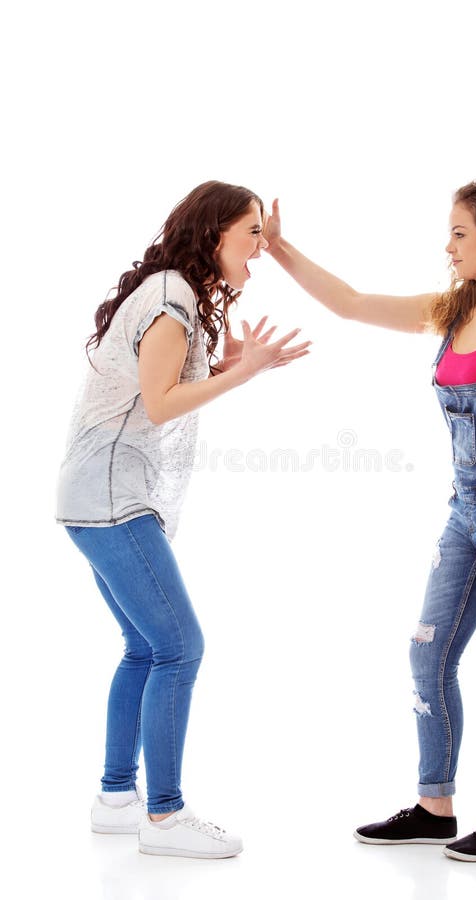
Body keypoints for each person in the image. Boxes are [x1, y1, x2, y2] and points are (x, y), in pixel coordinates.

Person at [263, 181, 476, 862]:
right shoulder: (453, 311)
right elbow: (350, 303)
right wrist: (281, 249)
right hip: (465, 513)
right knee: (427, 653)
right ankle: (436, 807)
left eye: (461, 232)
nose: (449, 245)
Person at [56, 180, 310, 859]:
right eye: (253, 232)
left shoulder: (174, 296)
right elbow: (163, 403)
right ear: (216, 233)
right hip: (111, 500)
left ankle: (117, 798)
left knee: (146, 647)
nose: (260, 247)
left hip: (92, 500)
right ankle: (163, 818)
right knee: (181, 647)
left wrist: (226, 362)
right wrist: (245, 372)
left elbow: (158, 385)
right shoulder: (170, 300)